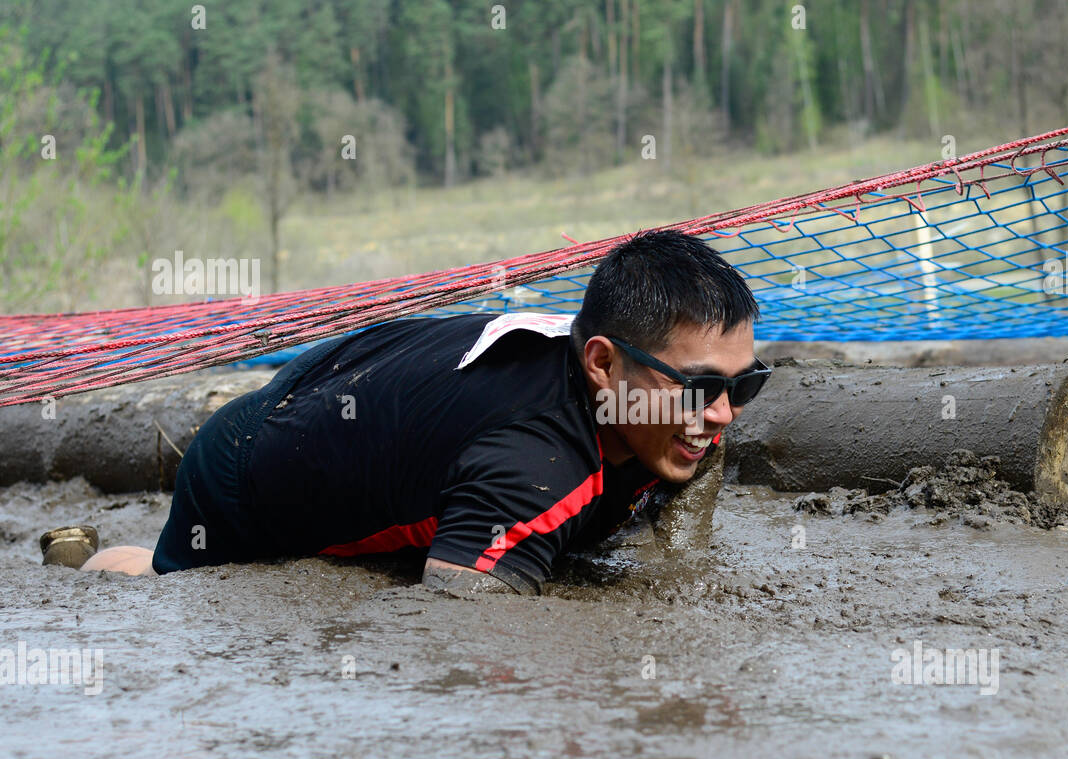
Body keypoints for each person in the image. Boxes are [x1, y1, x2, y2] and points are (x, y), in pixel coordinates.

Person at [55, 229, 771, 595]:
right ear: (602, 363)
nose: (720, 417)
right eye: (699, 387)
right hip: (246, 476)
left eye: (742, 387)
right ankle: (85, 561)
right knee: (163, 585)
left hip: (353, 390)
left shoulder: (652, 397)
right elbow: (456, 619)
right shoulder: (534, 470)